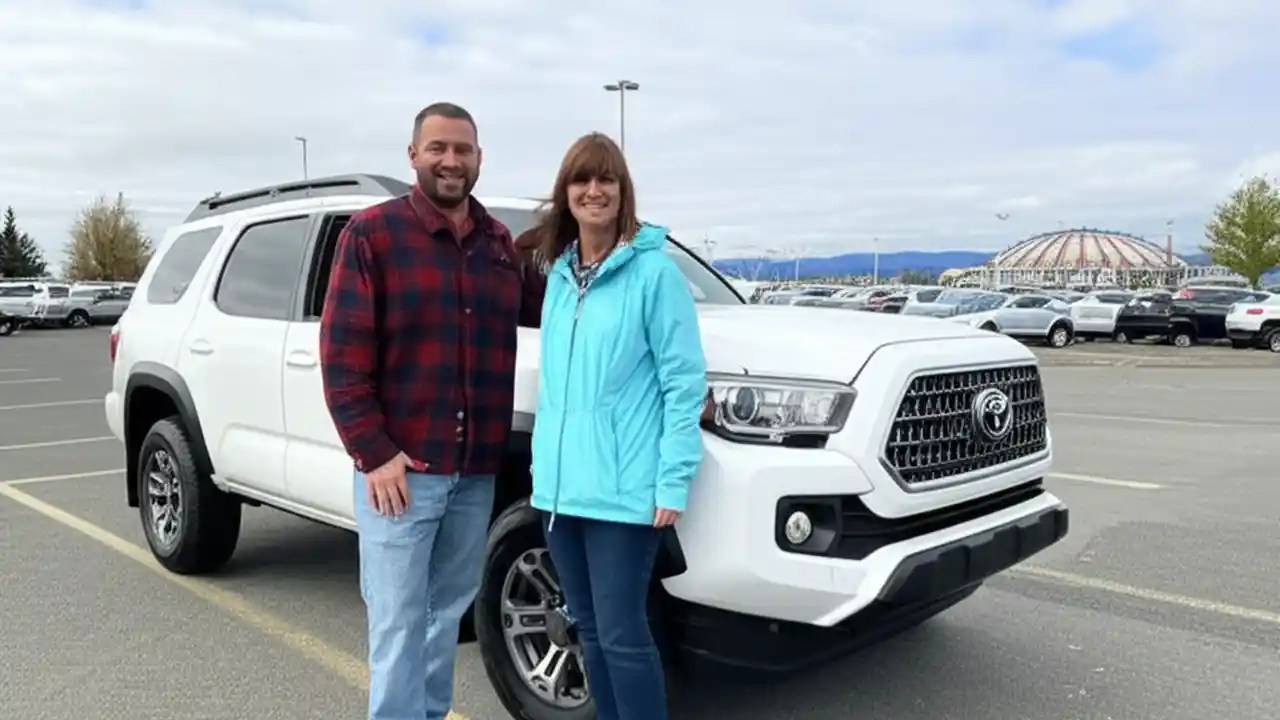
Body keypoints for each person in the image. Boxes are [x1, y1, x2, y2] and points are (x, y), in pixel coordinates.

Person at [319, 101, 542, 720]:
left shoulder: (499, 245)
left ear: (478, 158)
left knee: (445, 615)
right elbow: (341, 361)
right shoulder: (373, 235)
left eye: (462, 149)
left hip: (473, 475)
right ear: (413, 155)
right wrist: (375, 454)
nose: (451, 160)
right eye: (438, 148)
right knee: (396, 625)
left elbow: (561, 310)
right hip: (402, 475)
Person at [527, 131, 708, 720]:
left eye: (606, 179)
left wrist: (672, 480)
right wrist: (540, 470)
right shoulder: (558, 277)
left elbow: (684, 384)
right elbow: (555, 386)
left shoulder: (654, 275)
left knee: (625, 636)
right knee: (588, 632)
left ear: (623, 191)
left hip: (624, 494)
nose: (594, 191)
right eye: (582, 180)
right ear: (566, 193)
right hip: (561, 492)